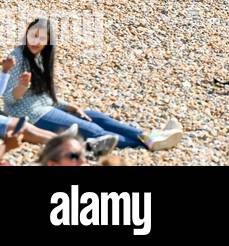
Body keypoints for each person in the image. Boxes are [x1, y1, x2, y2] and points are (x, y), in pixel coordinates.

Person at [4, 19, 182, 150]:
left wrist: (69, 106)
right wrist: (22, 86)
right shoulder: (17, 57)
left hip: (47, 108)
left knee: (98, 117)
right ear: (26, 33)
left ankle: (150, 136)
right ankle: (143, 145)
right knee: (92, 129)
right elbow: (10, 100)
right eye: (34, 35)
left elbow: (45, 96)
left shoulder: (41, 58)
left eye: (42, 38)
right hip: (29, 115)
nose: (37, 41)